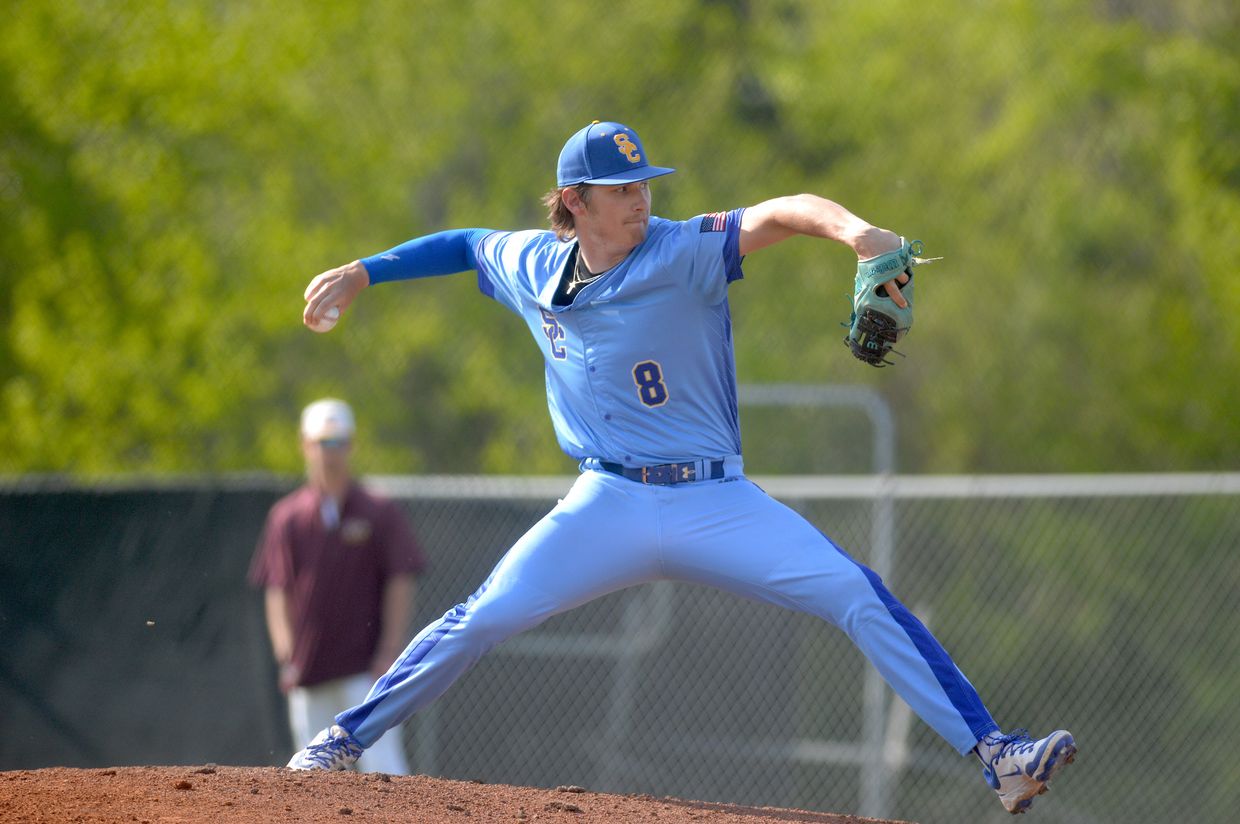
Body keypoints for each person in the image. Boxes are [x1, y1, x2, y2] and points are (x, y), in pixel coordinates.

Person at [289, 121, 1076, 814]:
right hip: (605, 501)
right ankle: (340, 742)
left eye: (643, 184)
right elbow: (463, 245)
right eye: (621, 188)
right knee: (484, 616)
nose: (640, 200)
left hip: (715, 499)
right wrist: (366, 271)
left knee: (854, 592)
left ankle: (999, 757)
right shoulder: (532, 266)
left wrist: (859, 235)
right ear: (575, 200)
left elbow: (784, 210)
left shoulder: (683, 249)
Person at [250, 398, 427, 774]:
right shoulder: (287, 517)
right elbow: (277, 588)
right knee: (310, 777)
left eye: (337, 442)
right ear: (304, 445)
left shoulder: (379, 511)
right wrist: (287, 657)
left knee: (384, 774)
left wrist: (389, 652)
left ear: (352, 445)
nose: (329, 453)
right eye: (321, 442)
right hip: (309, 672)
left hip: (364, 672)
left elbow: (400, 579)